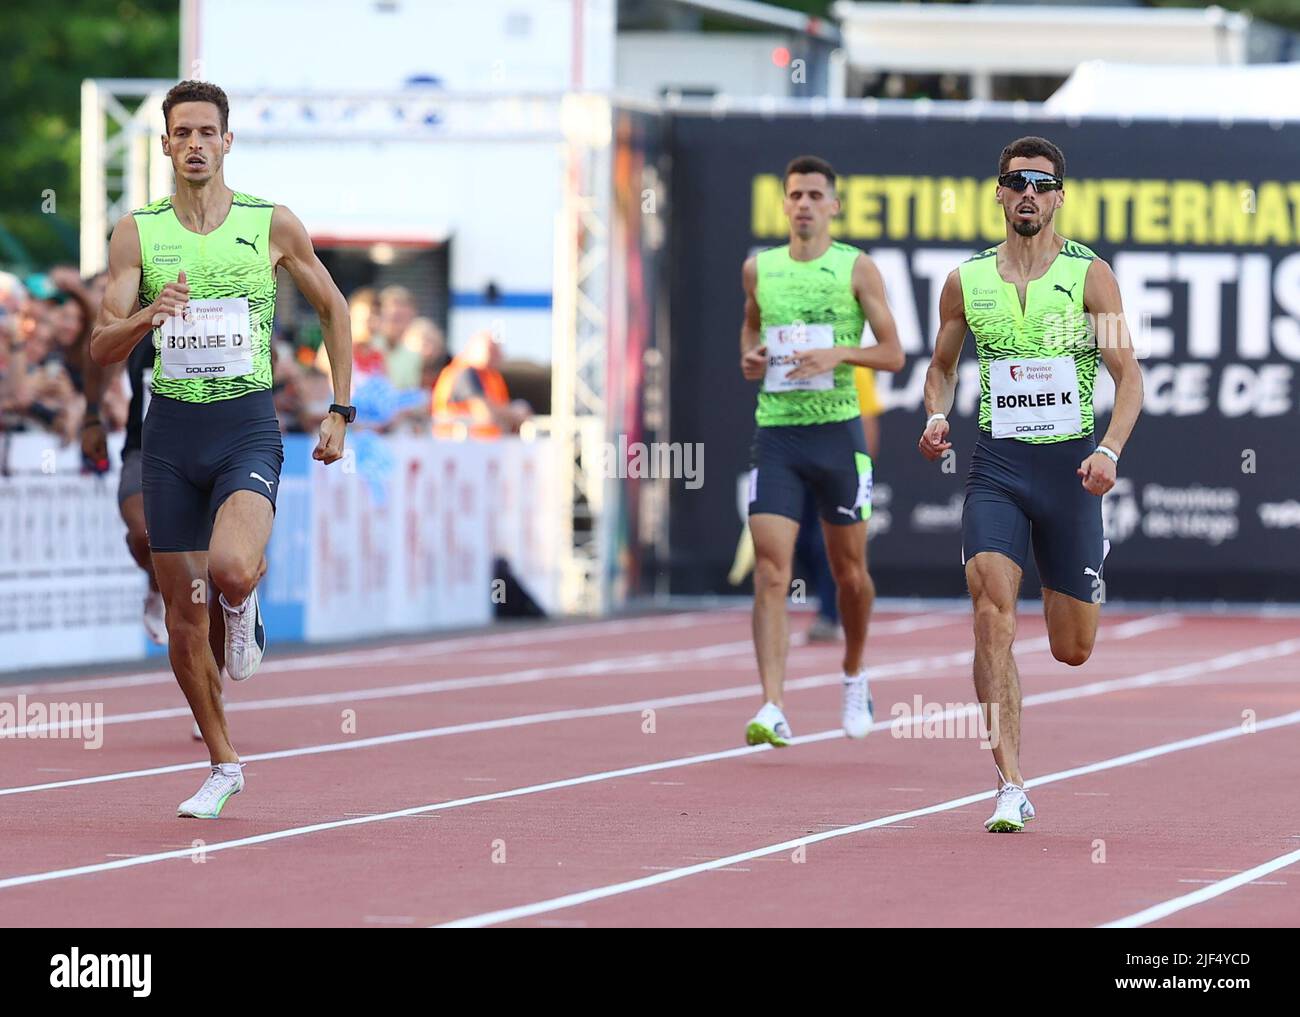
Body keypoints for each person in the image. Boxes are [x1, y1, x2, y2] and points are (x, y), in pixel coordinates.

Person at [90, 80, 355, 818]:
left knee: (231, 567)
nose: (197, 144)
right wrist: (149, 313)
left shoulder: (270, 223)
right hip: (170, 433)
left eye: (209, 131)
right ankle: (223, 760)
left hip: (243, 423)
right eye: (183, 133)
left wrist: (340, 407)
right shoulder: (135, 234)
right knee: (181, 614)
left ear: (227, 141)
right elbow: (101, 344)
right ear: (167, 144)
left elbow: (334, 308)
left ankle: (244, 601)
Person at [917, 136, 1143, 832]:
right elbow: (942, 365)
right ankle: (1009, 781)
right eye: (1016, 182)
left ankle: (1082, 561)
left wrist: (1108, 449)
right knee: (991, 611)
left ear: (1058, 197)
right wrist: (934, 412)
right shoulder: (966, 280)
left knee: (1071, 647)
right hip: (999, 467)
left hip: (1072, 468)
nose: (1028, 194)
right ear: (998, 192)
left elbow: (1128, 376)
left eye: (1041, 185)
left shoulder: (1089, 276)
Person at [739, 155, 905, 748]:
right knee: (769, 571)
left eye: (815, 195)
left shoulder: (856, 268)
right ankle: (773, 705)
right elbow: (751, 331)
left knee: (850, 574)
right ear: (784, 204)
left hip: (838, 434)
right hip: (778, 434)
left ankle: (855, 673)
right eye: (795, 195)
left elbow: (892, 354)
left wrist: (840, 354)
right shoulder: (760, 269)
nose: (804, 204)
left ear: (833, 205)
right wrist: (752, 357)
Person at [799, 365, 884, 642]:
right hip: (803, 467)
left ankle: (831, 614)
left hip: (842, 471)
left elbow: (867, 421)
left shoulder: (854, 368)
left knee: (829, 544)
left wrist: (863, 470)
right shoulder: (798, 366)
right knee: (801, 542)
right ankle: (834, 603)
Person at [432, 331, 531, 438]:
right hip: (458, 444)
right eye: (491, 350)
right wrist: (514, 413)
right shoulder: (465, 373)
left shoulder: (490, 376)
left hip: (482, 445)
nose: (497, 356)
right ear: (473, 349)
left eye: (498, 351)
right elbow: (485, 414)